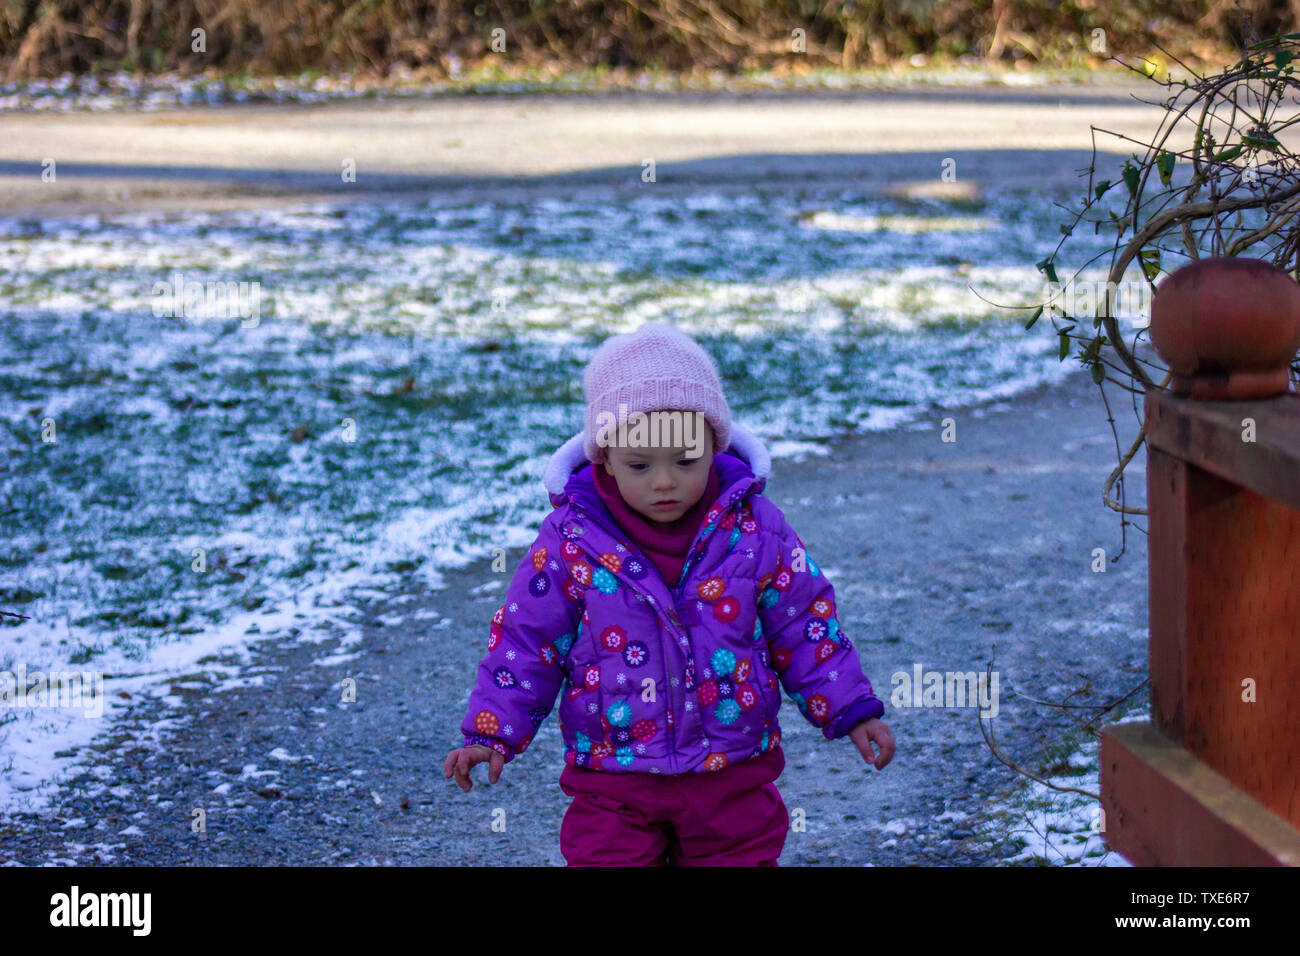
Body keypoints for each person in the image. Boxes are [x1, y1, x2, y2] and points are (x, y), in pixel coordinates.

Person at [444, 321, 895, 866]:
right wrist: (492, 733)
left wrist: (850, 708)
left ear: (714, 445)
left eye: (685, 461)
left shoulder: (754, 530)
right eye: (640, 465)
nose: (664, 482)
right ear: (603, 456)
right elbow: (527, 641)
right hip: (614, 777)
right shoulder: (573, 540)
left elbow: (803, 626)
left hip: (731, 772)